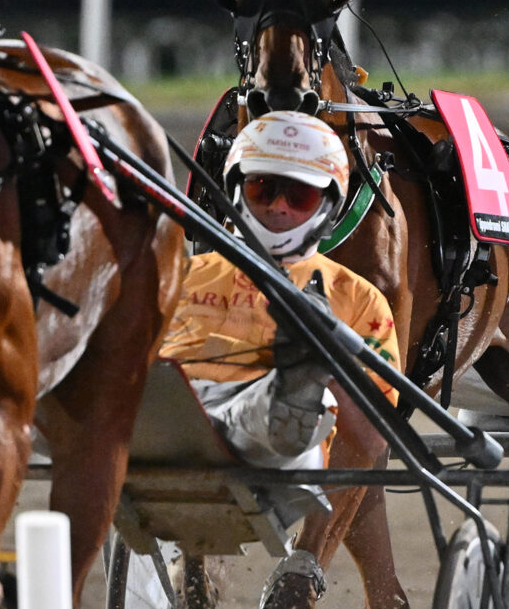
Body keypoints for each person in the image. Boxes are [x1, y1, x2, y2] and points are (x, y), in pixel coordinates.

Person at [157, 111, 400, 473]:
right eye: (262, 188)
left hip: (271, 452)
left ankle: (295, 383)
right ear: (236, 190)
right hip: (168, 417)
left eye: (299, 195)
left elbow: (373, 441)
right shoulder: (180, 276)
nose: (278, 206)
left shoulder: (358, 299)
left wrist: (328, 363)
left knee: (276, 408)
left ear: (328, 203)